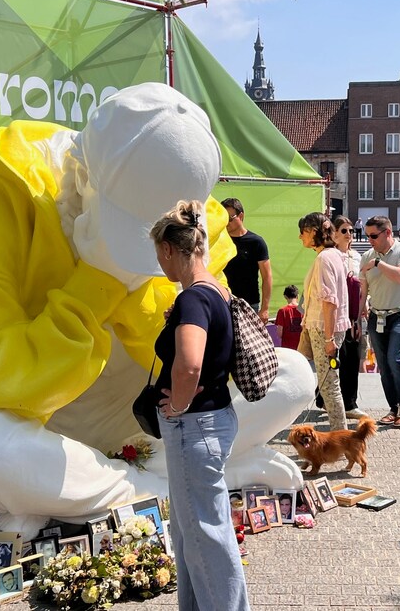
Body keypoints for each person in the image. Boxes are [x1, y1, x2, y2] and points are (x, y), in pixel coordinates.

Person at [150, 200, 250, 610]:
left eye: (159, 255)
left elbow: (189, 364)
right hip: (212, 420)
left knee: (206, 536)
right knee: (196, 531)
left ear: (171, 250)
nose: (160, 265)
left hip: (194, 425)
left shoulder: (194, 299)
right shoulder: (216, 291)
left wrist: (176, 404)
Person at [296, 212, 351, 432]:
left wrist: (329, 339)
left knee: (329, 385)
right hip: (318, 326)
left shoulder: (324, 258)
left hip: (323, 328)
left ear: (313, 232)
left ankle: (341, 436)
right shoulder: (333, 255)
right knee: (326, 382)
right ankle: (341, 435)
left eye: (303, 232)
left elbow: (330, 301)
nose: (300, 237)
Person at [361, 216, 400, 428]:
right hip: (377, 315)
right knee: (383, 365)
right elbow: (363, 289)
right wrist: (359, 317)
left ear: (388, 232)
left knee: (395, 359)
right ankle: (394, 408)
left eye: (374, 236)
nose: (370, 240)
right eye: (367, 236)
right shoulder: (367, 255)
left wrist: (377, 263)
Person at [332, 215, 367, 419]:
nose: (349, 234)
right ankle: (323, 395)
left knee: (352, 356)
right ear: (334, 234)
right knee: (333, 359)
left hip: (353, 314)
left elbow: (363, 285)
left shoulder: (357, 257)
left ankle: (350, 402)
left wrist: (364, 306)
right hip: (335, 314)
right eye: (344, 231)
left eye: (351, 231)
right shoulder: (329, 256)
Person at [221, 197, 272, 322]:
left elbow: (267, 276)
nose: (226, 222)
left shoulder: (256, 242)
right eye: (223, 219)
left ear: (241, 216)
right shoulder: (219, 241)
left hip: (249, 305)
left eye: (230, 218)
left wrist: (265, 308)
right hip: (223, 302)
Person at [274, 285, 303, 350]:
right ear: (297, 296)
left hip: (288, 348)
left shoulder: (282, 311)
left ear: (285, 296)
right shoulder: (304, 309)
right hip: (302, 347)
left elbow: (279, 333)